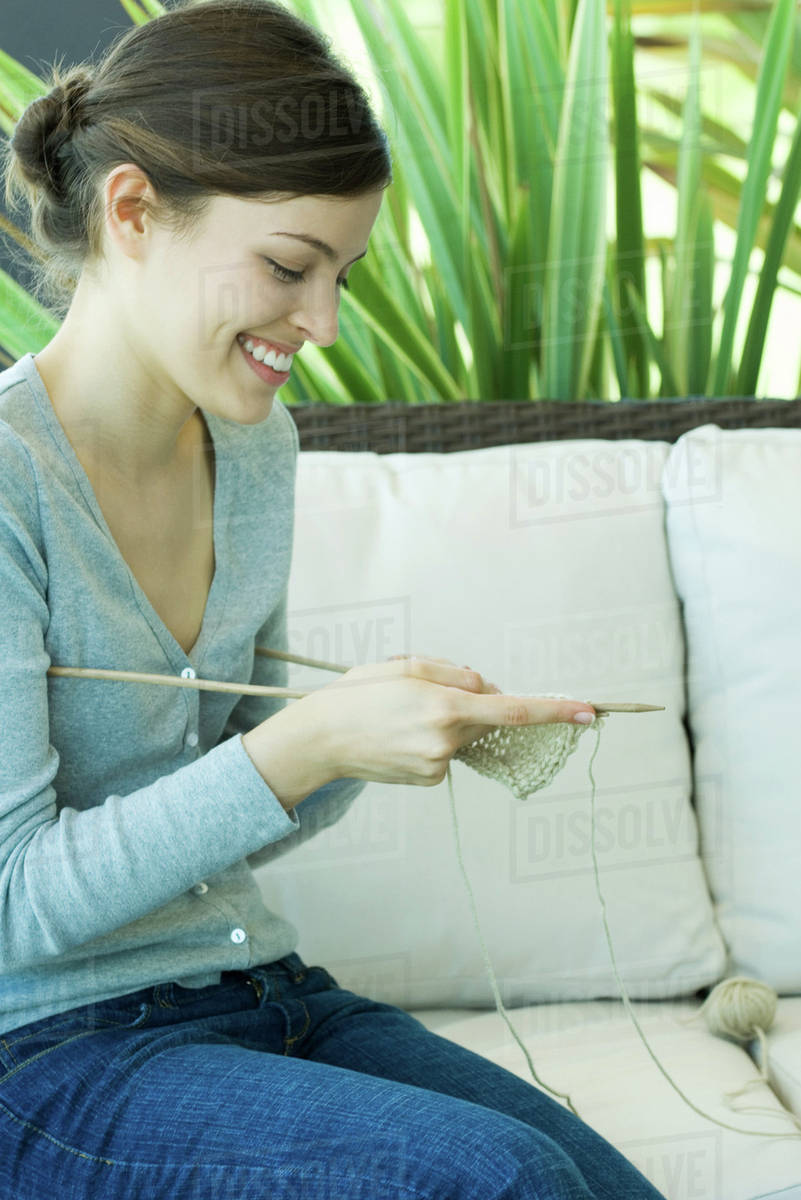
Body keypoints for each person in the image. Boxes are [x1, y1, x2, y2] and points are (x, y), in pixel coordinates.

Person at [0, 3, 667, 1197]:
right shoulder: (10, 484)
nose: (323, 324)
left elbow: (265, 795)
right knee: (499, 1181)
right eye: (289, 267)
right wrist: (305, 747)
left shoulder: (254, 449)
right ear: (134, 211)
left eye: (342, 277)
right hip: (47, 1057)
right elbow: (17, 904)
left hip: (263, 991)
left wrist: (365, 732)